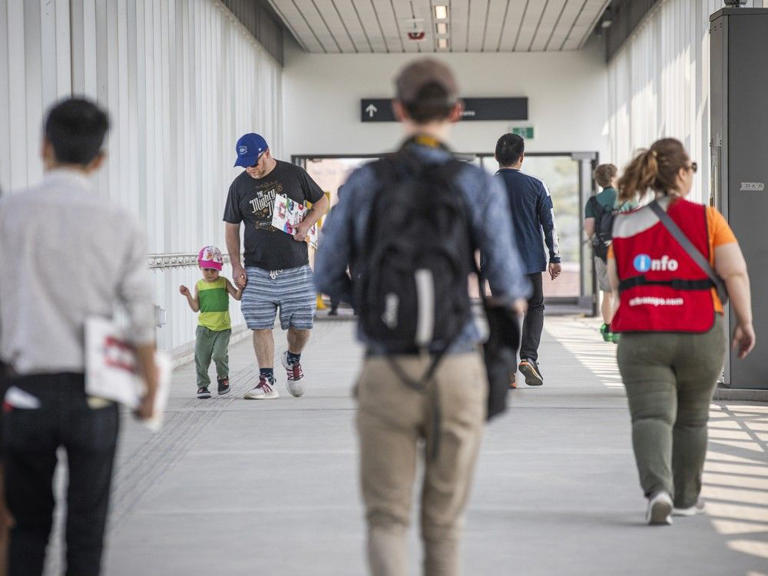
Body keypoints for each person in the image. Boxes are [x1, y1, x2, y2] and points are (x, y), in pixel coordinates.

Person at [315, 58, 529, 576]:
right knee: (444, 524)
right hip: (456, 367)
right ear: (455, 112)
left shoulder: (366, 182)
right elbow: (509, 284)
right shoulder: (475, 184)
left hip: (386, 368)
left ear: (399, 109)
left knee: (387, 520)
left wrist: (366, 303)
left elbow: (324, 273)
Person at [0, 97, 158, 575]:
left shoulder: (10, 213)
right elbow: (139, 315)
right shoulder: (119, 220)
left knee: (27, 527)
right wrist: (149, 386)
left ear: (43, 146)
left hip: (23, 390)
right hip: (95, 390)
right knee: (87, 530)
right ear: (100, 159)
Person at [608, 138, 755, 525]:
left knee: (651, 418)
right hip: (700, 330)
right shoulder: (707, 219)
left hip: (642, 334)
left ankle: (659, 491)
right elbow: (735, 271)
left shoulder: (624, 224)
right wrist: (746, 321)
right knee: (693, 418)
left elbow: (614, 283)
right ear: (684, 172)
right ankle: (688, 498)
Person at [224, 133, 329, 400]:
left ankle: (292, 359)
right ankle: (266, 381)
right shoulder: (239, 186)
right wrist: (236, 266)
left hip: (295, 266)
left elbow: (322, 202)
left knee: (302, 327)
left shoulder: (294, 174)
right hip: (257, 267)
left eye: (254, 162)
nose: (251, 168)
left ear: (266, 153)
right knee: (260, 325)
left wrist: (306, 225)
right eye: (245, 163)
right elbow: (232, 228)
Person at [494, 133, 562, 386]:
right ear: (522, 158)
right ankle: (529, 358)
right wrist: (554, 257)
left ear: (495, 157)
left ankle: (507, 370)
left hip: (497, 262)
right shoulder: (536, 185)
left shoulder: (484, 186)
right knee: (534, 306)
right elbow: (549, 225)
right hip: (530, 260)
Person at [180, 245, 242, 399]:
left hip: (222, 328)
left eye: (213, 270)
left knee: (219, 355)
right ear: (200, 267)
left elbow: (237, 296)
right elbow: (196, 308)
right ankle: (202, 385)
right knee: (201, 357)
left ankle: (223, 378)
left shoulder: (223, 282)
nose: (209, 273)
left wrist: (240, 287)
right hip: (204, 329)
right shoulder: (199, 286)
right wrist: (188, 295)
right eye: (206, 269)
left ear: (219, 269)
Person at [585, 163, 620, 343]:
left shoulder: (592, 202)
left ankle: (608, 327)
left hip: (602, 251)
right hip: (623, 250)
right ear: (614, 177)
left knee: (607, 291)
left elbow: (589, 230)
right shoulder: (626, 198)